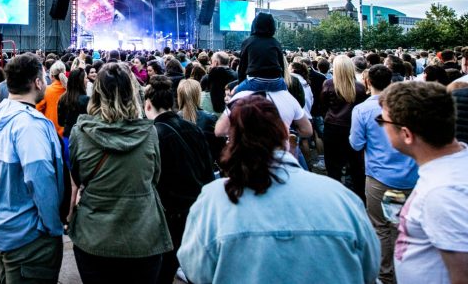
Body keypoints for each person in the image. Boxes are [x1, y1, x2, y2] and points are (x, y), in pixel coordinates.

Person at [177, 95, 381, 284]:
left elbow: (196, 270)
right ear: (284, 132)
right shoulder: (339, 196)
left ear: (232, 141)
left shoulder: (214, 200)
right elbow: (370, 266)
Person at [68, 62, 172, 283]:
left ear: (96, 93)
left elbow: (77, 178)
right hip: (143, 236)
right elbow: (154, 177)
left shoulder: (81, 133)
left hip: (94, 237)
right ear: (133, 92)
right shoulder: (149, 132)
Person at [0, 53, 65, 283]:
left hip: (2, 227)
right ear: (37, 82)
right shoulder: (29, 126)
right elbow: (41, 181)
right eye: (44, 78)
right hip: (26, 236)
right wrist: (53, 227)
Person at [378, 81, 468, 284]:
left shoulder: (444, 193)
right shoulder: (447, 170)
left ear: (406, 134)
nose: (382, 126)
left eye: (383, 121)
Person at [349, 64, 419, 284]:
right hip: (410, 177)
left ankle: (386, 276)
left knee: (381, 228)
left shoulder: (362, 110)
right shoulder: (407, 105)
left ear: (368, 82)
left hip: (379, 178)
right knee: (406, 227)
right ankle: (407, 273)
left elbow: (356, 144)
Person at [144, 75, 214, 283]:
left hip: (167, 216)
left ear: (148, 105)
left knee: (162, 273)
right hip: (195, 210)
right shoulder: (193, 128)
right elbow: (207, 170)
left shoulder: (152, 135)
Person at [321, 55, 367, 200]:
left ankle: (335, 198)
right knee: (355, 166)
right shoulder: (359, 87)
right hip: (352, 128)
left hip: (332, 128)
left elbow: (322, 106)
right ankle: (359, 197)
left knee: (333, 166)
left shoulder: (328, 84)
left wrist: (328, 116)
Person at [236, 12, 286, 92]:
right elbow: (281, 65)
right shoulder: (276, 42)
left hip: (255, 81)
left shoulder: (248, 42)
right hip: (276, 81)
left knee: (233, 95)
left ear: (254, 24)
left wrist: (240, 84)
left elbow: (242, 67)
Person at [177, 78, 224, 164]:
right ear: (198, 95)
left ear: (180, 96)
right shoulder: (210, 118)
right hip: (206, 166)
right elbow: (220, 147)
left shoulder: (174, 120)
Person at [57, 68, 90, 168]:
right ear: (80, 81)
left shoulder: (62, 98)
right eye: (85, 78)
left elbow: (61, 122)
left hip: (67, 138)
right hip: (83, 141)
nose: (87, 80)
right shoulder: (86, 100)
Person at [36, 60, 67, 138]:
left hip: (52, 132)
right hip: (69, 133)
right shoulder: (72, 89)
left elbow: (37, 109)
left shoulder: (47, 90)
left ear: (51, 76)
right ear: (65, 73)